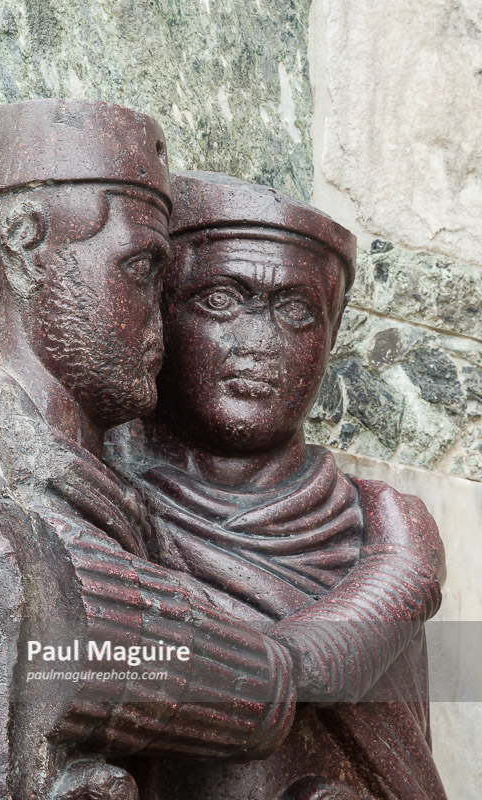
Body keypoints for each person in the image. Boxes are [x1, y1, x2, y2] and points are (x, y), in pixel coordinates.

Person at [0, 99, 302, 800]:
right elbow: (86, 646)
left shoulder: (89, 486)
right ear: (26, 249)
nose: (163, 314)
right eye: (142, 269)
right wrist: (280, 670)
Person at [114, 171, 446, 800]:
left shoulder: (379, 523)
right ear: (159, 311)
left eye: (296, 311)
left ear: (332, 334)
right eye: (221, 300)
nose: (259, 343)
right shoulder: (108, 504)